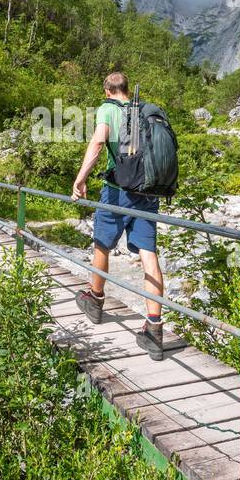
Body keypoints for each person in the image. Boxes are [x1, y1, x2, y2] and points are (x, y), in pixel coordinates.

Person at [71, 71, 165, 345]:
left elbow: (99, 142)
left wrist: (81, 178)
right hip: (148, 190)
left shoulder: (107, 109)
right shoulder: (146, 110)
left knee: (102, 243)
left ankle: (96, 299)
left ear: (107, 91)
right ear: (125, 88)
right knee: (149, 254)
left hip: (117, 190)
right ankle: (154, 327)